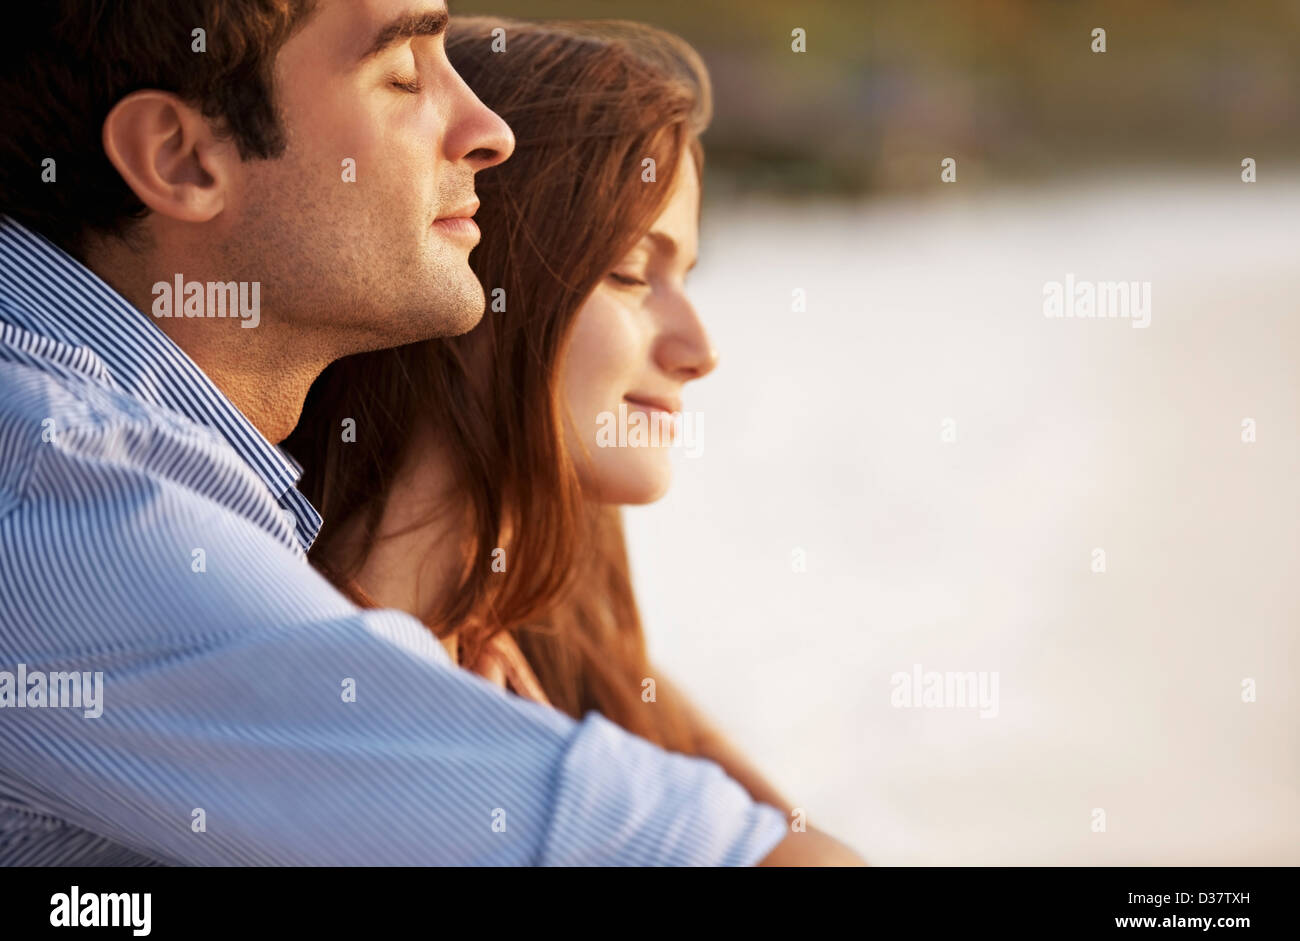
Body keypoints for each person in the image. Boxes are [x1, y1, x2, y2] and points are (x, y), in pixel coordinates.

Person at [0, 0, 858, 865]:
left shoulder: (163, 487)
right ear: (183, 159)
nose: (491, 132)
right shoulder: (58, 492)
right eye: (401, 73)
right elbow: (677, 849)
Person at [288, 17, 798, 815]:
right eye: (631, 274)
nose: (699, 349)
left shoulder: (552, 628)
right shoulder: (323, 687)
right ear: (469, 269)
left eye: (685, 278)